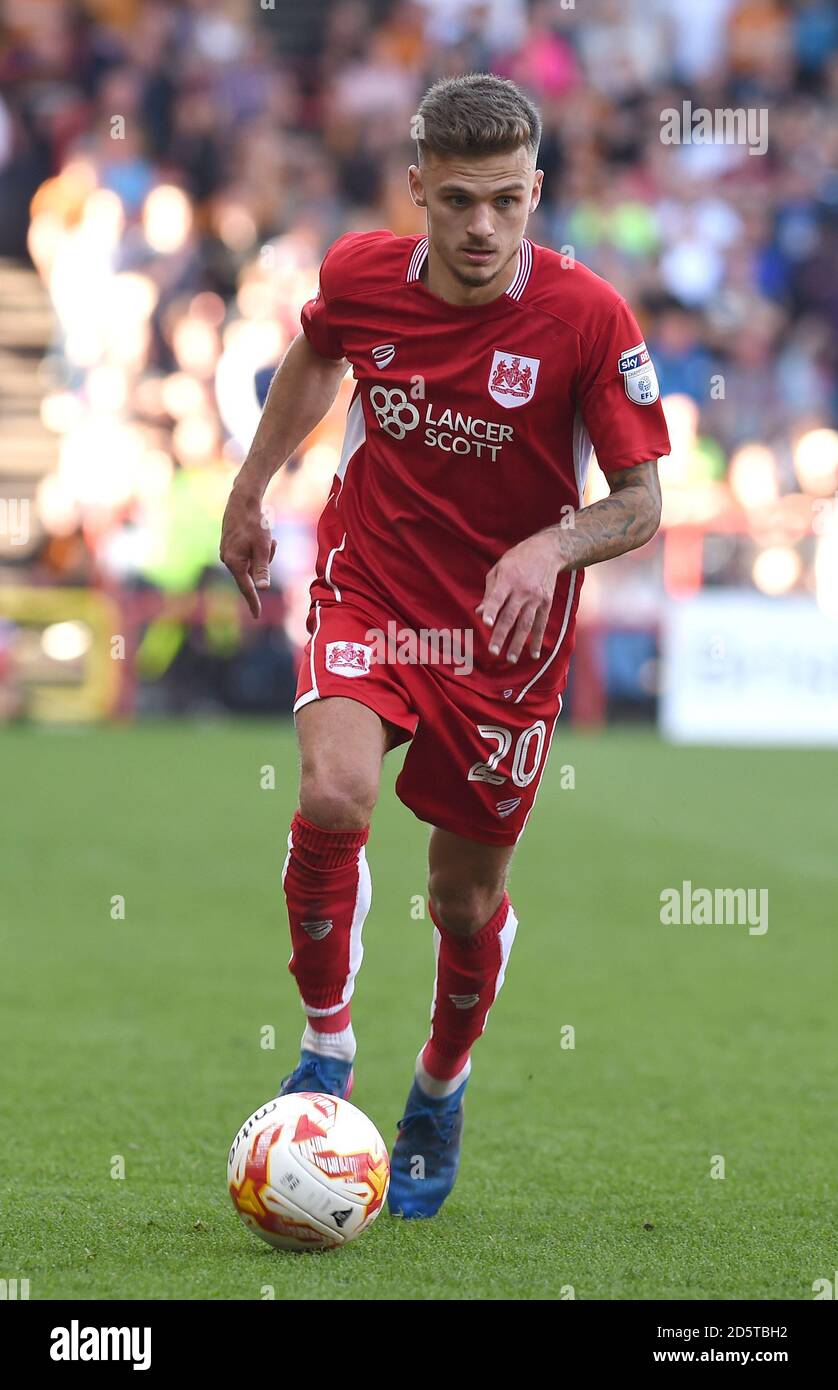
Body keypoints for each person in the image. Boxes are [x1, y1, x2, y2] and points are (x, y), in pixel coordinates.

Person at [220, 73, 670, 1221]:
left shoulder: (586, 318)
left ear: (535, 194)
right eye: (460, 200)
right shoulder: (360, 275)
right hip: (371, 587)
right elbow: (318, 358)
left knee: (462, 901)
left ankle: (441, 1078)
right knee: (331, 793)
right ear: (417, 187)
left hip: (503, 642)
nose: (482, 227)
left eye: (508, 202)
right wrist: (252, 486)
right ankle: (326, 1049)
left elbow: (639, 501)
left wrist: (548, 547)